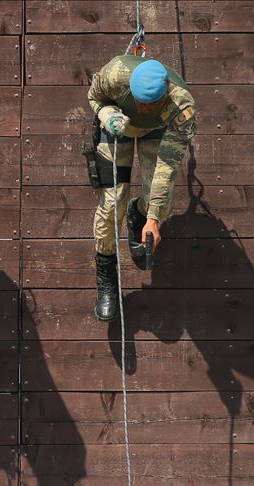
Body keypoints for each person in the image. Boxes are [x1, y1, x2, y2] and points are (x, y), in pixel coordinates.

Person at [86, 55, 197, 321]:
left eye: (151, 103)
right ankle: (106, 279)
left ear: (166, 91)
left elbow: (166, 167)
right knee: (112, 203)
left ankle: (139, 214)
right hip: (117, 126)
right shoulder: (115, 73)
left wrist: (153, 217)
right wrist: (108, 114)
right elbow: (94, 97)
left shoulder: (181, 106)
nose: (143, 107)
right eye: (139, 100)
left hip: (157, 129)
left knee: (161, 199)